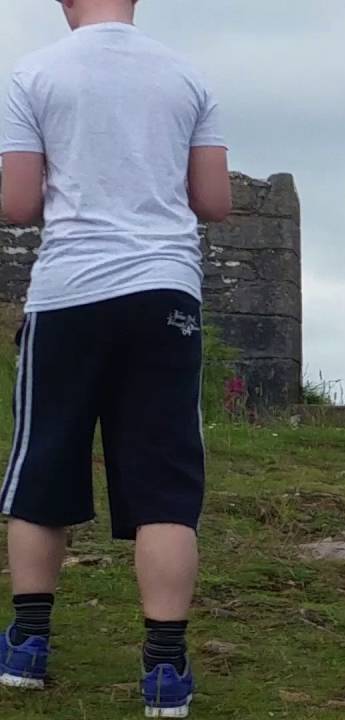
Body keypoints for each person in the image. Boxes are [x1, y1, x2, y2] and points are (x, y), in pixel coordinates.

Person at [0, 0, 229, 716]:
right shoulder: (188, 77)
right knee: (164, 483)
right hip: (165, 292)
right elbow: (213, 201)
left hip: (69, 293)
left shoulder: (31, 75)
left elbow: (17, 203)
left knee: (45, 462)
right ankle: (165, 670)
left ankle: (28, 648)